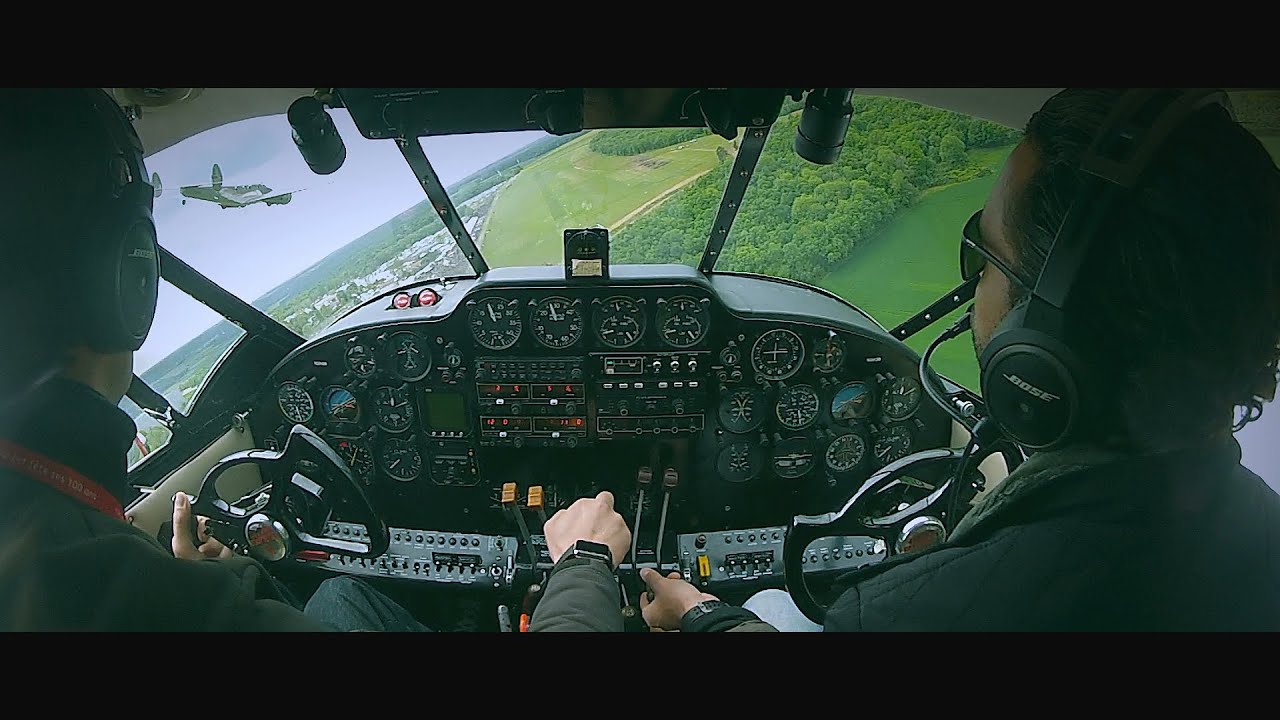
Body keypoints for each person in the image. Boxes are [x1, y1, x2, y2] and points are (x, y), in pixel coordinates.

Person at [531, 87, 1280, 632]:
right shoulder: (1264, 534)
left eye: (983, 256)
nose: (973, 282)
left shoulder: (906, 615)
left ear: (1043, 354)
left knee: (765, 607)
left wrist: (670, 605)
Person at [0, 88, 427, 632]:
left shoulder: (51, 537)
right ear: (128, 274)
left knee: (338, 597)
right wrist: (575, 560)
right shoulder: (77, 573)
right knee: (342, 594)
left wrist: (194, 585)